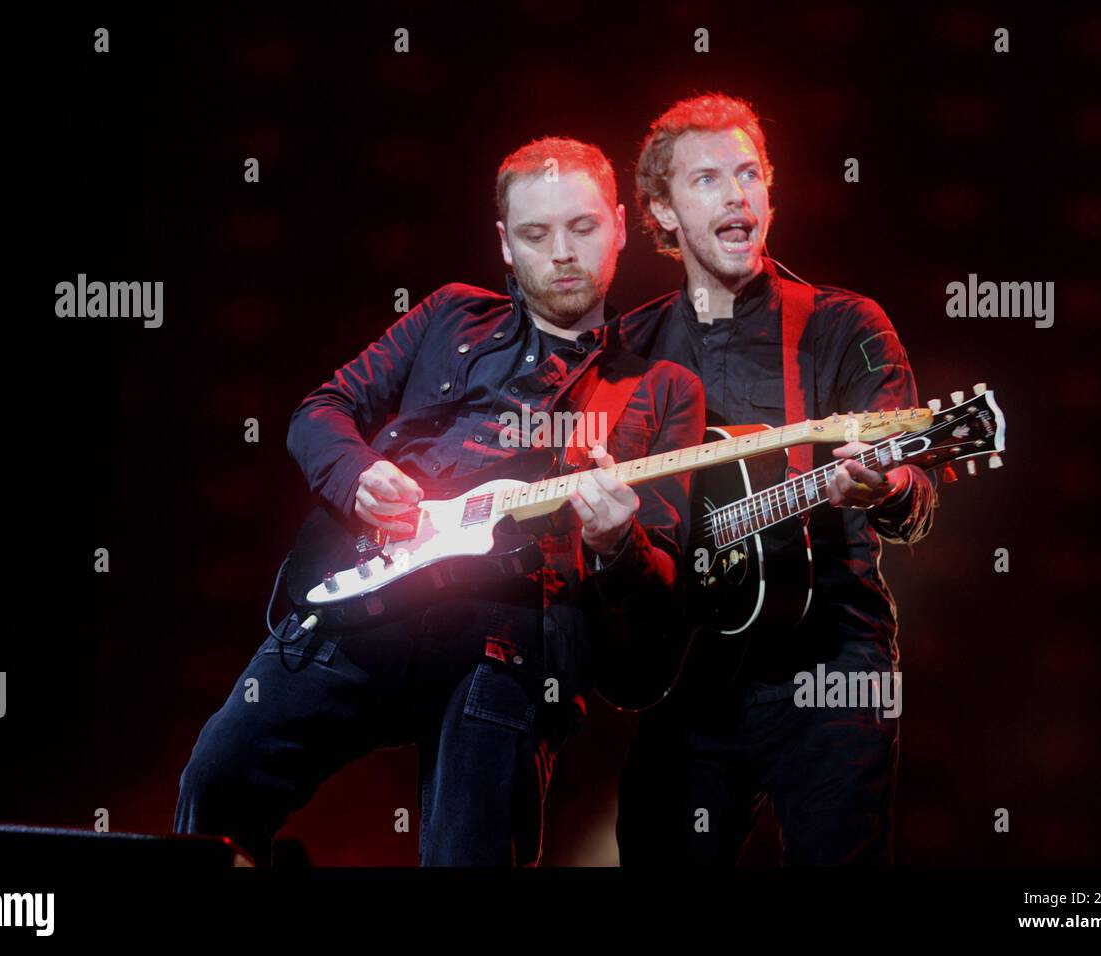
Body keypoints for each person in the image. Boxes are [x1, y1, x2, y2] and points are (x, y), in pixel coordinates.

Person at [174, 136, 704, 866]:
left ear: (617, 224)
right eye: (535, 233)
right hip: (366, 596)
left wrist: (620, 544)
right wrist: (357, 476)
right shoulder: (451, 317)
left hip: (511, 640)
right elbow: (321, 411)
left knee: (471, 854)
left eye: (582, 227)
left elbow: (663, 589)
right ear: (504, 244)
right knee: (218, 781)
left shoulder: (663, 389)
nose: (562, 252)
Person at [616, 93, 937, 866]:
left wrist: (884, 487)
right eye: (706, 181)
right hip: (690, 671)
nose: (736, 196)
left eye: (750, 175)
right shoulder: (627, 349)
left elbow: (916, 494)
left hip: (830, 664)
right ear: (659, 211)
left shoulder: (844, 323)